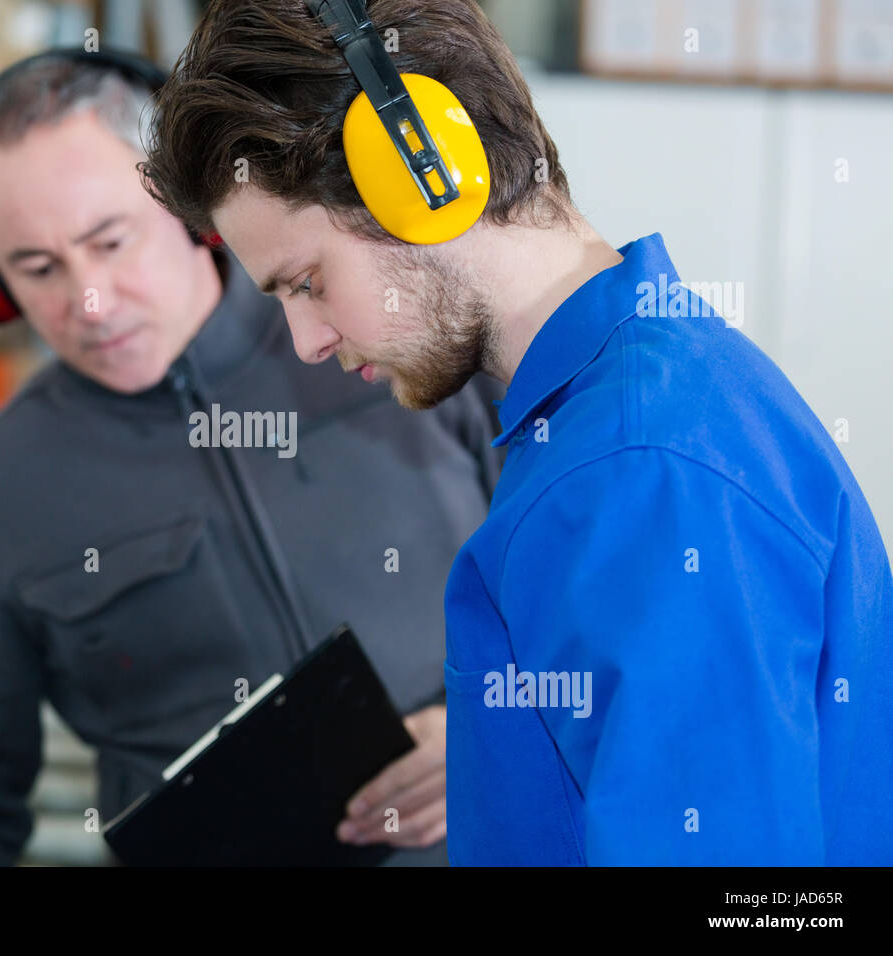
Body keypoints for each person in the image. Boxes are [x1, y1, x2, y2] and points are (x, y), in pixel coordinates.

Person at [139, 0, 893, 865]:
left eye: (307, 281)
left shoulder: (637, 473)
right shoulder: (622, 410)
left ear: (426, 175)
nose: (307, 343)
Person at [0, 48, 507, 866]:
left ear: (193, 206)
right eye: (38, 268)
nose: (90, 302)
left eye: (110, 240)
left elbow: (596, 601)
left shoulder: (388, 335)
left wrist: (492, 721)